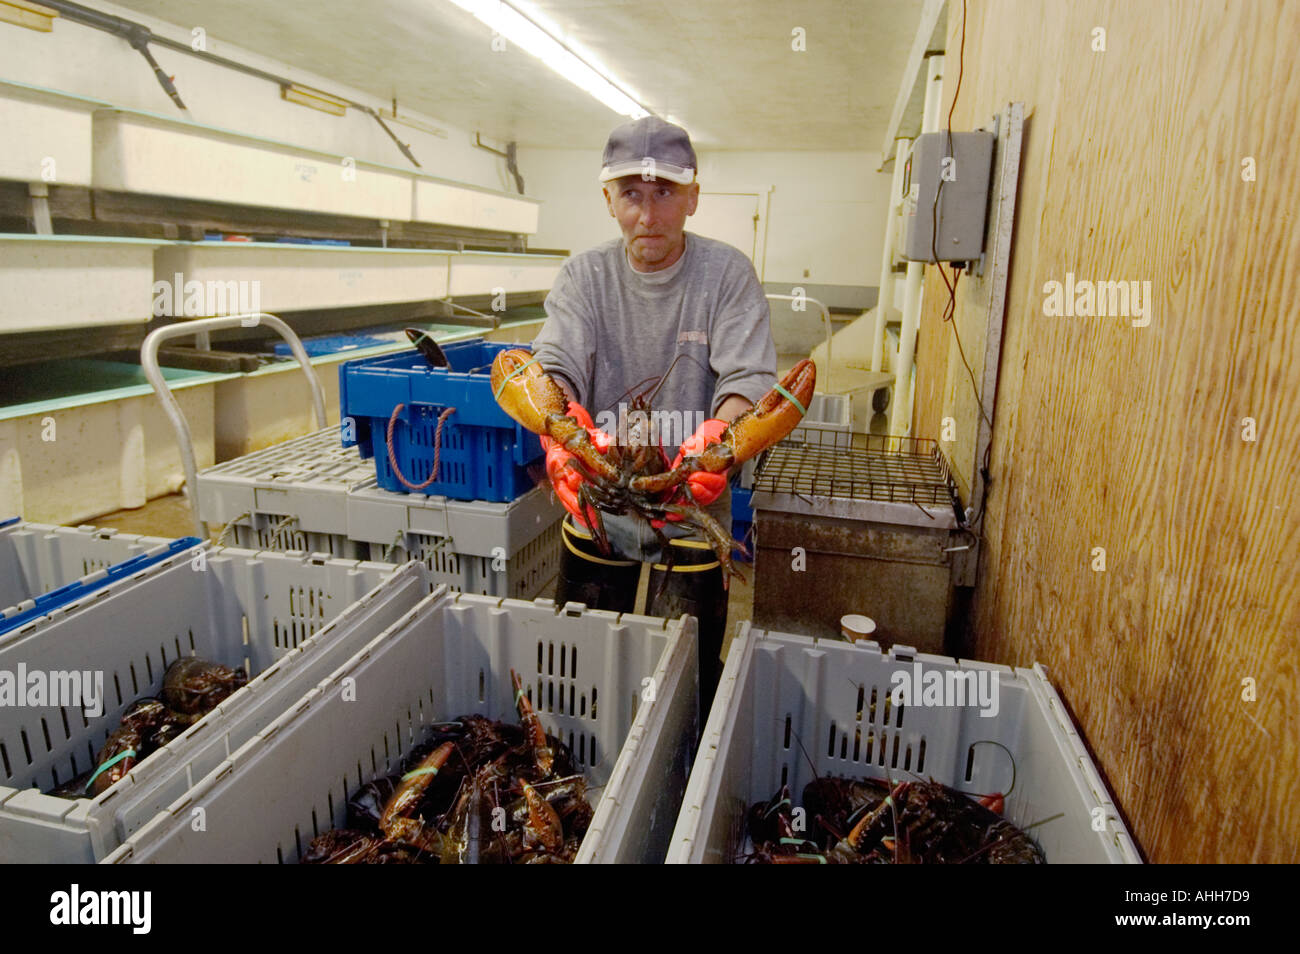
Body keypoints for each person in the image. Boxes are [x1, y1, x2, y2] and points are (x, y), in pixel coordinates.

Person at [530, 116, 777, 715]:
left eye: (665, 193)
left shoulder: (728, 275)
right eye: (632, 195)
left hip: (692, 506)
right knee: (581, 675)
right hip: (599, 501)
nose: (648, 214)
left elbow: (749, 380)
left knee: (684, 682)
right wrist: (560, 436)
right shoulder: (583, 276)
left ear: (693, 197)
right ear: (608, 199)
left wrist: (722, 436)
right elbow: (552, 364)